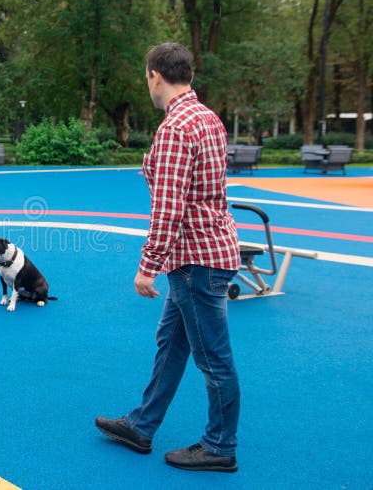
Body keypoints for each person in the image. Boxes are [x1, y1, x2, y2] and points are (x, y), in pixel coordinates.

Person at [95, 43, 241, 472]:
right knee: (171, 344)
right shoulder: (208, 118)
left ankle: (220, 445)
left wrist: (148, 265)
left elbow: (169, 206)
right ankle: (141, 426)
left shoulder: (176, 127)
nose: (147, 84)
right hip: (208, 251)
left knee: (213, 358)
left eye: (146, 77)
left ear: (156, 75)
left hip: (195, 259)